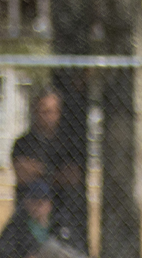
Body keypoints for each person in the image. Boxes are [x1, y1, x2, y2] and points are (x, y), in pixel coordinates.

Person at [11, 89, 89, 249]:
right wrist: (55, 174)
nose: (47, 116)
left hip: (64, 211)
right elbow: (22, 173)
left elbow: (72, 176)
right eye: (43, 111)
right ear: (35, 112)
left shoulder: (69, 144)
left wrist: (39, 171)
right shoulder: (23, 143)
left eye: (52, 111)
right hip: (30, 213)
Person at [0, 179, 91, 258]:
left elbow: (72, 244)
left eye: (42, 203)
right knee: (52, 247)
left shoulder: (59, 224)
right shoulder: (16, 226)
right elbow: (4, 253)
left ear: (49, 205)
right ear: (26, 203)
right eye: (34, 202)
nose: (38, 207)